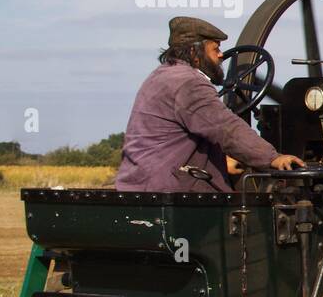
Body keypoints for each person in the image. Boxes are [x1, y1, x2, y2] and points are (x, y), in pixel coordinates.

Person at [116, 16, 304, 193]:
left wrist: (224, 159)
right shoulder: (189, 83)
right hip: (170, 190)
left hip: (141, 184)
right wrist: (272, 158)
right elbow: (225, 129)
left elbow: (181, 137)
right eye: (215, 49)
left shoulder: (161, 76)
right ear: (194, 52)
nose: (221, 55)